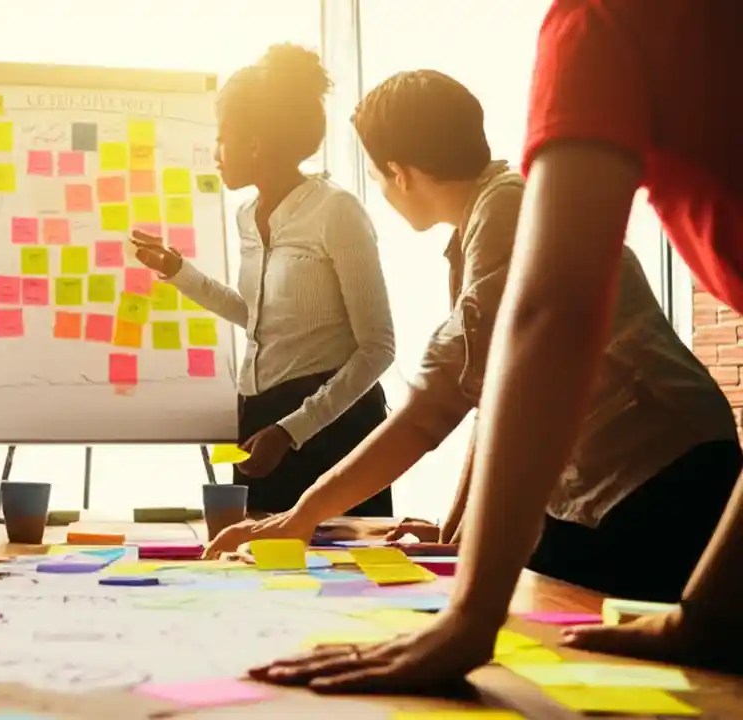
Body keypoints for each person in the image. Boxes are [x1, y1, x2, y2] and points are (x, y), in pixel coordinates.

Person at [248, 0, 743, 691]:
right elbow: (493, 396)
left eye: (379, 177)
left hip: (656, 477)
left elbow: (436, 407)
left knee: (619, 680)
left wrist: (304, 516)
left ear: (398, 173)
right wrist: (456, 532)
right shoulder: (487, 218)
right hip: (614, 483)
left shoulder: (508, 207)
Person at [132, 44, 395, 515]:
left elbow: (378, 349)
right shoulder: (247, 216)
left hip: (331, 424)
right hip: (261, 417)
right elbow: (259, 319)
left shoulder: (336, 211)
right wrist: (179, 272)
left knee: (338, 559)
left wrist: (292, 430)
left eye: (223, 137)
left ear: (254, 143)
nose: (215, 153)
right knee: (253, 553)